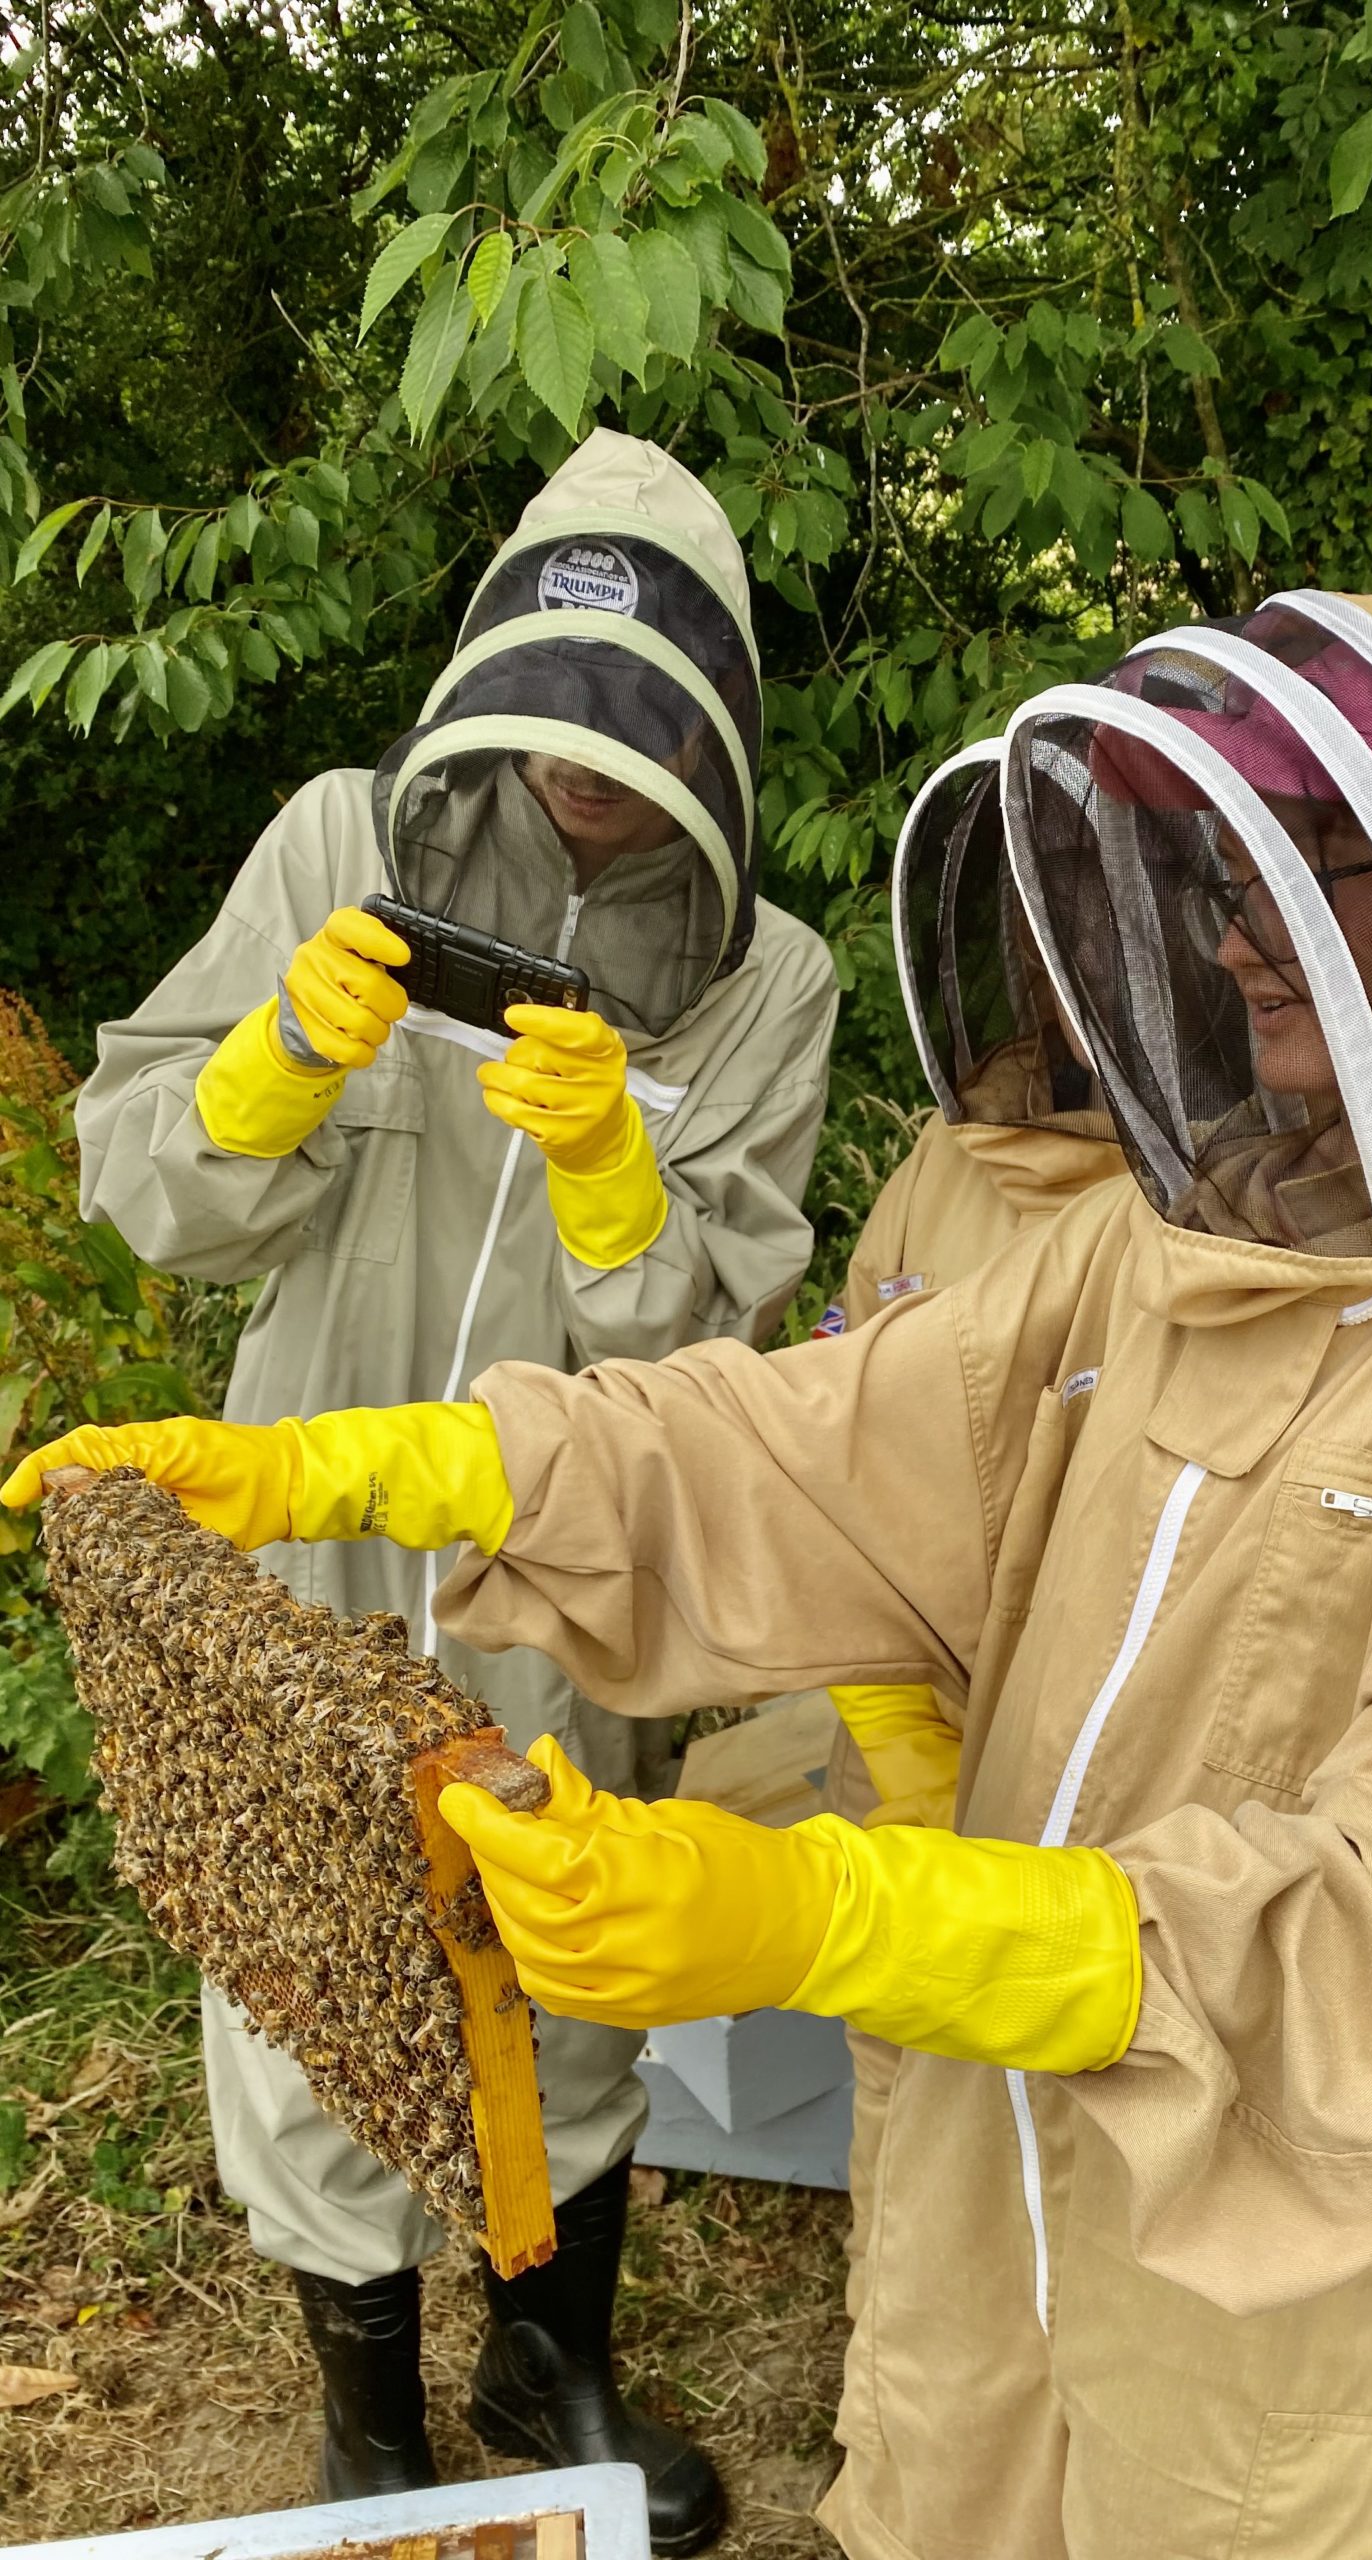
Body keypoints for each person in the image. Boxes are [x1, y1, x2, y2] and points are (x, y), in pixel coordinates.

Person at [12, 586, 1372, 2559]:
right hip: (974, 2216)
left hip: (1286, 2327)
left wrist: (819, 1911)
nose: (1233, 935)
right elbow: (808, 1443)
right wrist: (387, 1465)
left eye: (1315, 869)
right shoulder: (1171, 1244)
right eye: (1222, 880)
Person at [58, 429, 839, 2551]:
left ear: (713, 734)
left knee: (565, 1937)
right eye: (561, 720)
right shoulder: (339, 838)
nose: (589, 771)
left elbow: (713, 1349)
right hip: (307, 1508)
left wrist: (618, 1180)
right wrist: (267, 1073)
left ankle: (545, 2361)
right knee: (309, 1951)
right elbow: (150, 1193)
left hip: (565, 1561)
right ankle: (372, 2416)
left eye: (636, 730)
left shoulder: (770, 980)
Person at [818, 737, 1124, 2314]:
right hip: (917, 1781)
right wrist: (891, 1731)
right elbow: (834, 1427)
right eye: (1043, 911)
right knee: (919, 2181)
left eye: (1106, 910)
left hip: (1127, 1810)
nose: (1068, 955)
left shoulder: (1249, 1189)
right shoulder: (944, 1163)